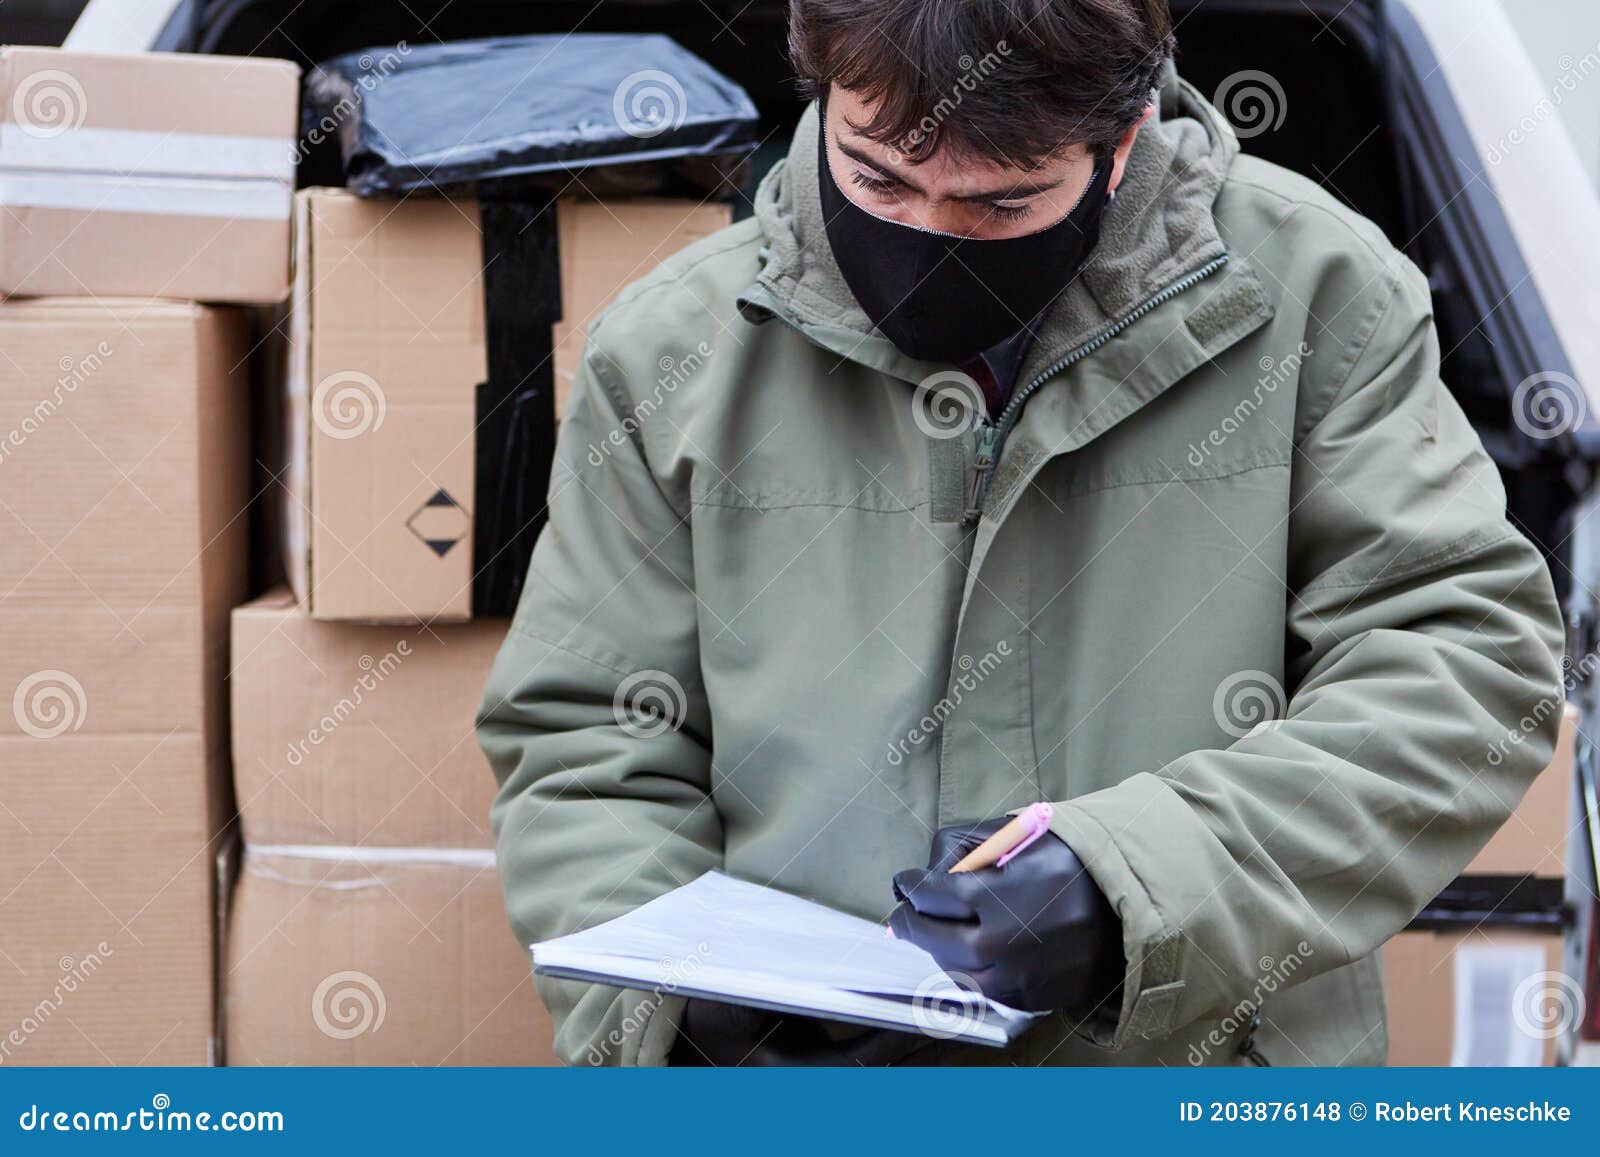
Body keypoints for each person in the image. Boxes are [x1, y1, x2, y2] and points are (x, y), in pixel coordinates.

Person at [477, 0, 1564, 1066]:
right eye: (877, 179)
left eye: (1001, 204)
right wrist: (676, 1009)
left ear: (1122, 140)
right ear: (820, 92)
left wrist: (1130, 881)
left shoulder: (1319, 296)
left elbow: (1461, 666)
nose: (925, 238)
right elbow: (587, 739)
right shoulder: (670, 350)